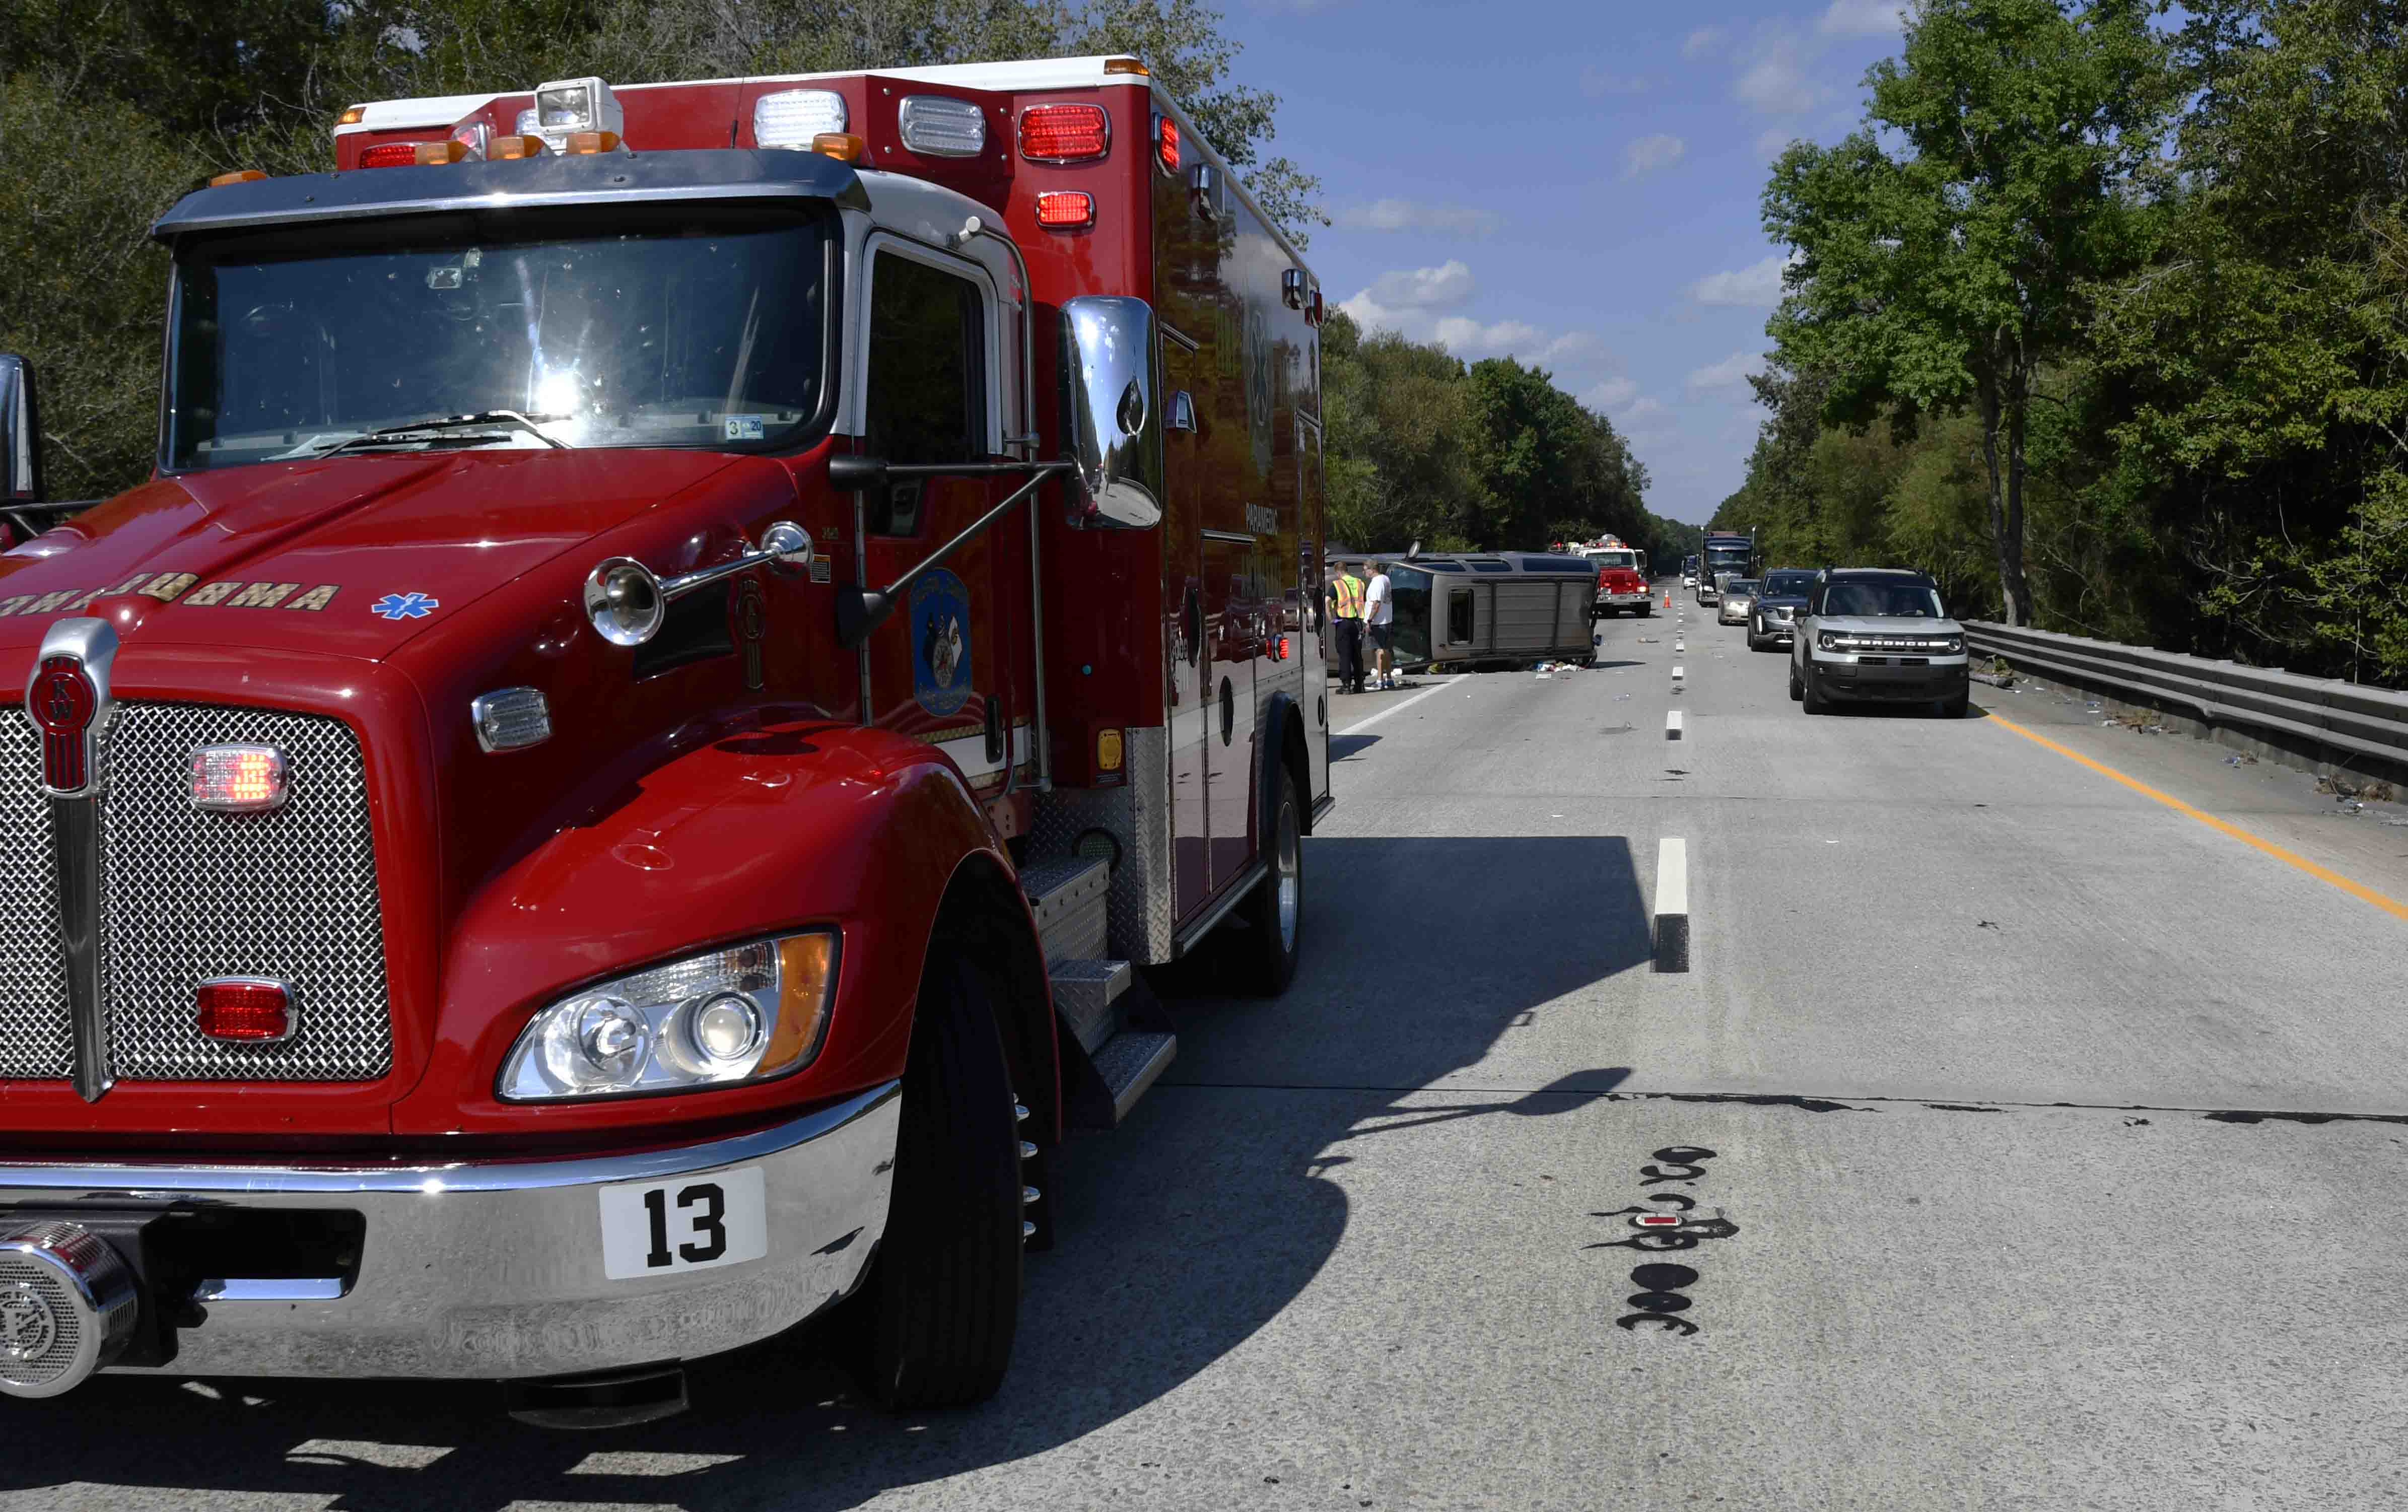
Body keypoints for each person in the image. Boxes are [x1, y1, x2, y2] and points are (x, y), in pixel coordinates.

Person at [1326, 561, 1367, 694]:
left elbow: (1327, 600)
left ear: (1338, 573)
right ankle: (1360, 685)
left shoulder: (1337, 584)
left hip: (1343, 623)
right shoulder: (1360, 583)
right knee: (1357, 654)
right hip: (1357, 623)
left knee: (1345, 654)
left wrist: (1331, 618)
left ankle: (1346, 685)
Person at [1363, 558, 1396, 691]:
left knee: (1379, 651)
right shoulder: (1385, 579)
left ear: (1372, 570)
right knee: (1386, 650)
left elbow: (1376, 605)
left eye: (1365, 570)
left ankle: (1379, 681)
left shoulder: (1376, 583)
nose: (1364, 572)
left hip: (1378, 622)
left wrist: (1369, 620)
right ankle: (1389, 679)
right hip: (1387, 620)